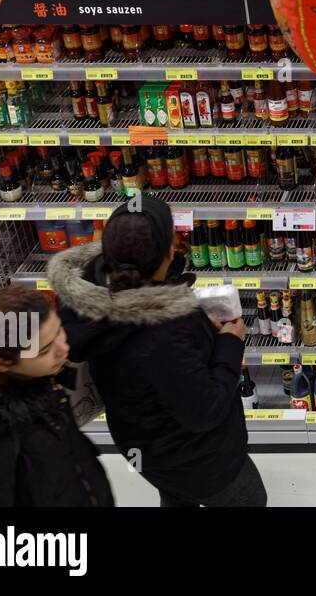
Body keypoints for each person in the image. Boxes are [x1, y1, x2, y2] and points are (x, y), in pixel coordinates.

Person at [49, 197, 266, 507]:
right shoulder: (162, 331)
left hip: (143, 446)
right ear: (167, 251)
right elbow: (205, 410)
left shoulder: (90, 289)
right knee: (251, 502)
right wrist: (230, 342)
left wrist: (192, 320)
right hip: (198, 458)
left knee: (176, 497)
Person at [0, 285, 114, 506]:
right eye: (45, 350)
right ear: (2, 364)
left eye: (58, 330)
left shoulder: (31, 375)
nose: (64, 347)